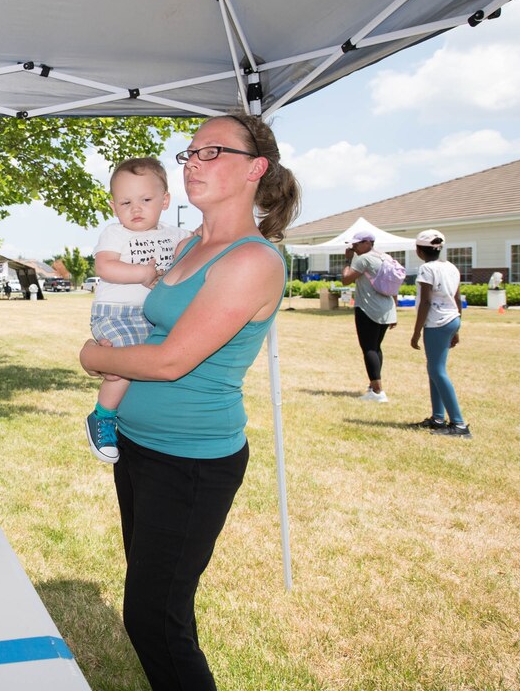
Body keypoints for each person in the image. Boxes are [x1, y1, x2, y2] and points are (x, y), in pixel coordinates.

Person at [79, 113, 300, 690]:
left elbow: (171, 359)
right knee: (162, 603)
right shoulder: (190, 244)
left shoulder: (252, 259)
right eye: (190, 153)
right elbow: (144, 322)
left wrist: (94, 358)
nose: (194, 162)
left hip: (191, 460)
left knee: (153, 618)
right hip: (137, 445)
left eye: (212, 152)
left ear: (256, 168)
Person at [85, 158, 191, 463]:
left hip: (153, 314)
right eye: (126, 202)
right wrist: (142, 274)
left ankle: (139, 417)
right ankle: (102, 416)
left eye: (146, 200)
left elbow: (197, 248)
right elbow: (104, 266)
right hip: (116, 312)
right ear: (113, 206)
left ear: (165, 200)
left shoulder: (176, 235)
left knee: (154, 363)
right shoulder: (115, 233)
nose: (136, 209)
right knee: (123, 364)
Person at [408, 229, 469, 438]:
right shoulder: (451, 267)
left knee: (437, 371)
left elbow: (425, 302)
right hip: (452, 319)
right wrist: (458, 327)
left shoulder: (426, 269)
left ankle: (459, 424)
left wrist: (416, 332)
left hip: (436, 323)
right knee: (434, 370)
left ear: (418, 250)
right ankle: (438, 418)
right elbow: (458, 298)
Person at [341, 230, 398, 402]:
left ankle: (377, 391)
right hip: (386, 308)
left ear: (368, 243)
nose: (354, 247)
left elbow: (346, 279)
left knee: (369, 348)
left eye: (356, 244)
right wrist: (394, 310)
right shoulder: (385, 257)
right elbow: (394, 285)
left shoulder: (363, 259)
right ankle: (375, 386)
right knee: (376, 347)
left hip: (368, 308)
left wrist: (348, 260)